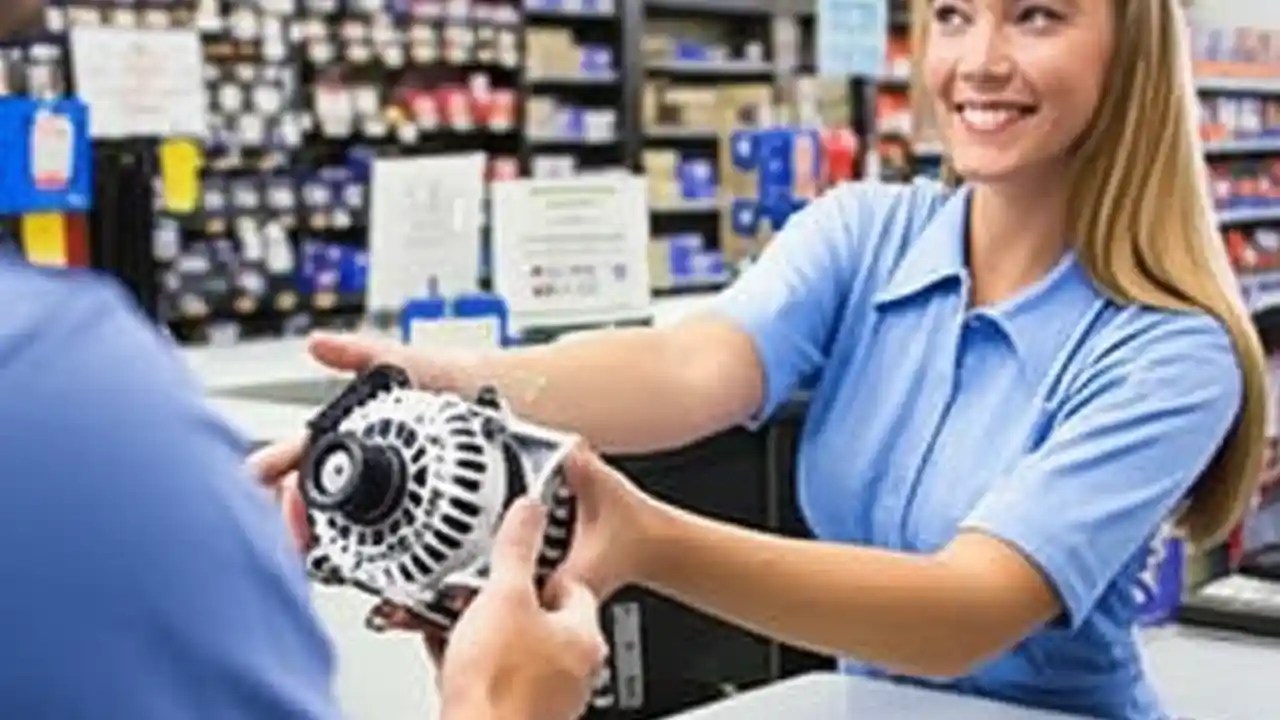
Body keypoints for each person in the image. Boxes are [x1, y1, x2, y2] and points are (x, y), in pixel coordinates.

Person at [261, 1, 1269, 718]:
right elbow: (687, 368)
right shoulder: (863, 232)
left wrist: (652, 543)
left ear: (1129, 50)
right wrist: (428, 385)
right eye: (953, 14)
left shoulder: (1166, 353)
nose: (978, 59)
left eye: (1036, 17)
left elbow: (966, 612)